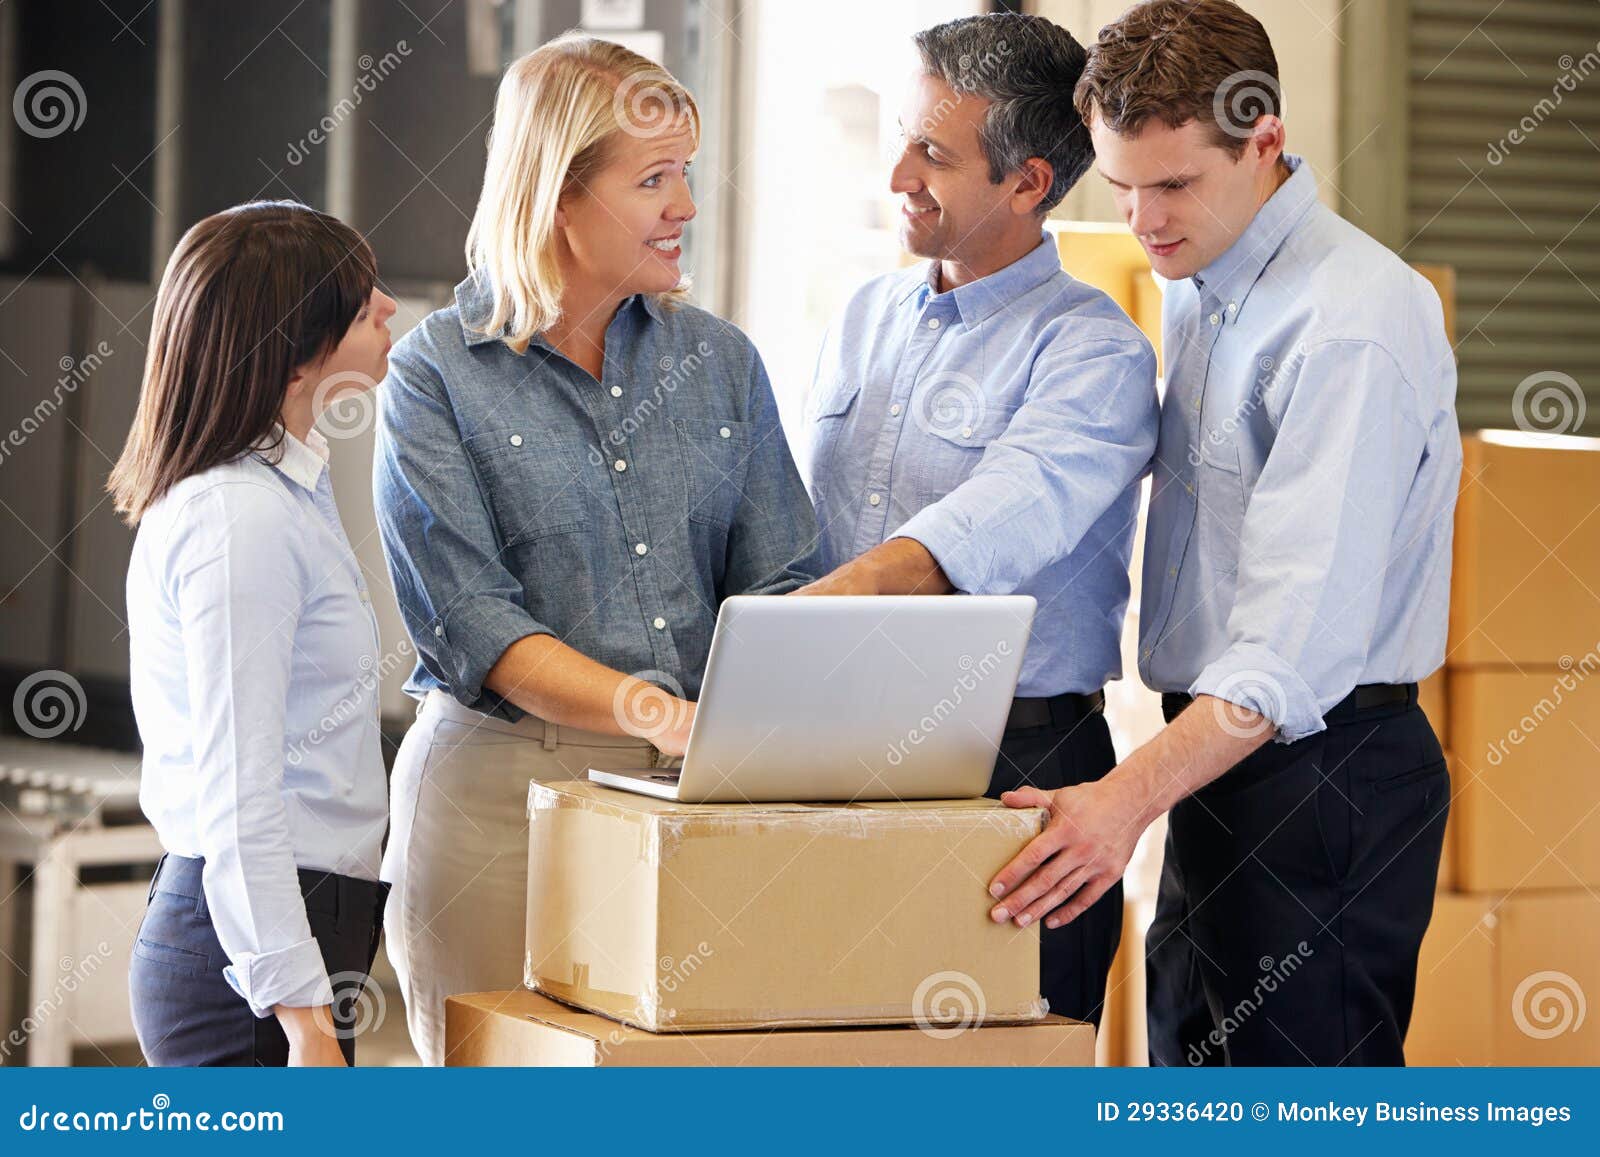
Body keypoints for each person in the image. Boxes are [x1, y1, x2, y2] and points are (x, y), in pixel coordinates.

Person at [987, 0, 1460, 1065]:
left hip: (1322, 772)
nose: (1143, 220)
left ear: (1264, 141)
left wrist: (1121, 803)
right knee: (1191, 1077)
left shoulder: (1349, 322)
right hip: (1220, 766)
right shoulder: (1208, 276)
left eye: (1172, 185)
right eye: (1121, 185)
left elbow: (1288, 651)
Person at [373, 34, 819, 1066]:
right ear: (559, 195)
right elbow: (474, 624)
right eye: (654, 178)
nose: (686, 207)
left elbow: (781, 577)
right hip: (499, 801)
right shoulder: (434, 373)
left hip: (691, 790)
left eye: (688, 176)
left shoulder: (720, 361)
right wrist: (665, 716)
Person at [797, 12, 1159, 1028]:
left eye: (934, 154)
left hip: (1015, 777)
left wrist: (776, 642)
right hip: (843, 753)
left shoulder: (1095, 356)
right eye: (904, 137)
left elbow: (975, 535)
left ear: (1027, 182)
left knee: (1010, 1083)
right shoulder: (865, 315)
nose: (898, 174)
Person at [112, 201, 396, 1066]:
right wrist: (302, 1014)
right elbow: (241, 790)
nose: (389, 307)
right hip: (252, 970)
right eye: (360, 301)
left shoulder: (283, 496)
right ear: (297, 346)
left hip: (292, 940)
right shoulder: (239, 517)